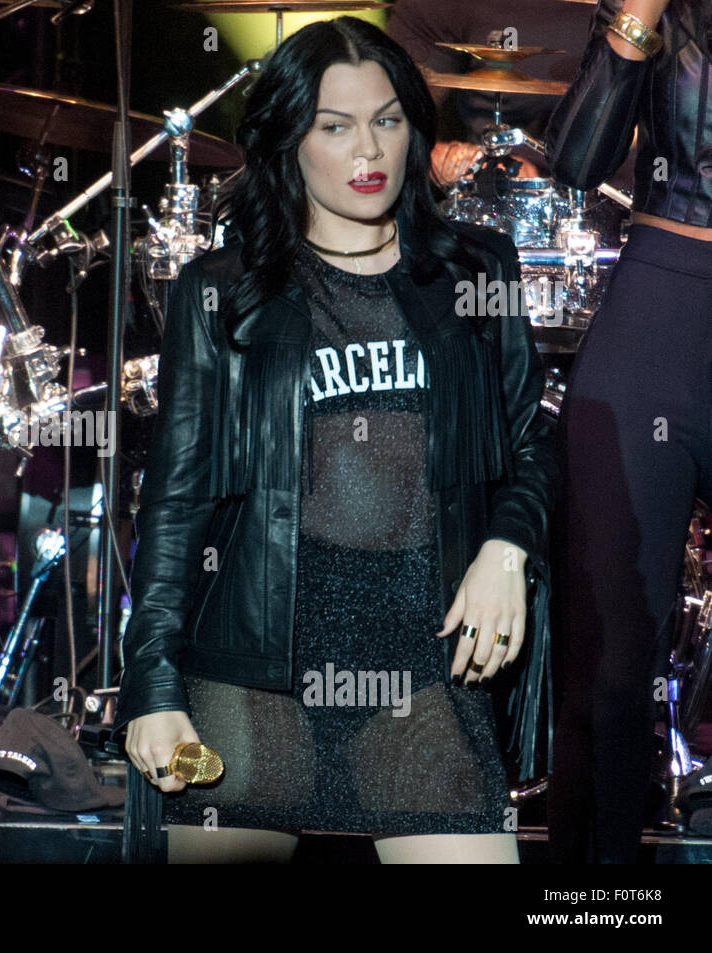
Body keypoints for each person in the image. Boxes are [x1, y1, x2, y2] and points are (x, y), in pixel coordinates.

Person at [112, 16, 557, 863]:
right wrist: (153, 684)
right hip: (252, 677)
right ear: (290, 140)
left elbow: (531, 442)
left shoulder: (476, 270)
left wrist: (507, 549)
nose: (369, 150)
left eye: (387, 120)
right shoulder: (220, 292)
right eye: (336, 125)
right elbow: (175, 501)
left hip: (423, 676)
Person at [544, 0, 712, 864]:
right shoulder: (666, 15)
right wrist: (635, 19)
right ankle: (597, 906)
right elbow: (575, 161)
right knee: (608, 672)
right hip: (659, 311)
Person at [388, 0, 612, 188]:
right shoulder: (440, 7)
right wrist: (432, 156)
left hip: (613, 191)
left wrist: (538, 169)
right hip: (490, 190)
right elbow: (396, 113)